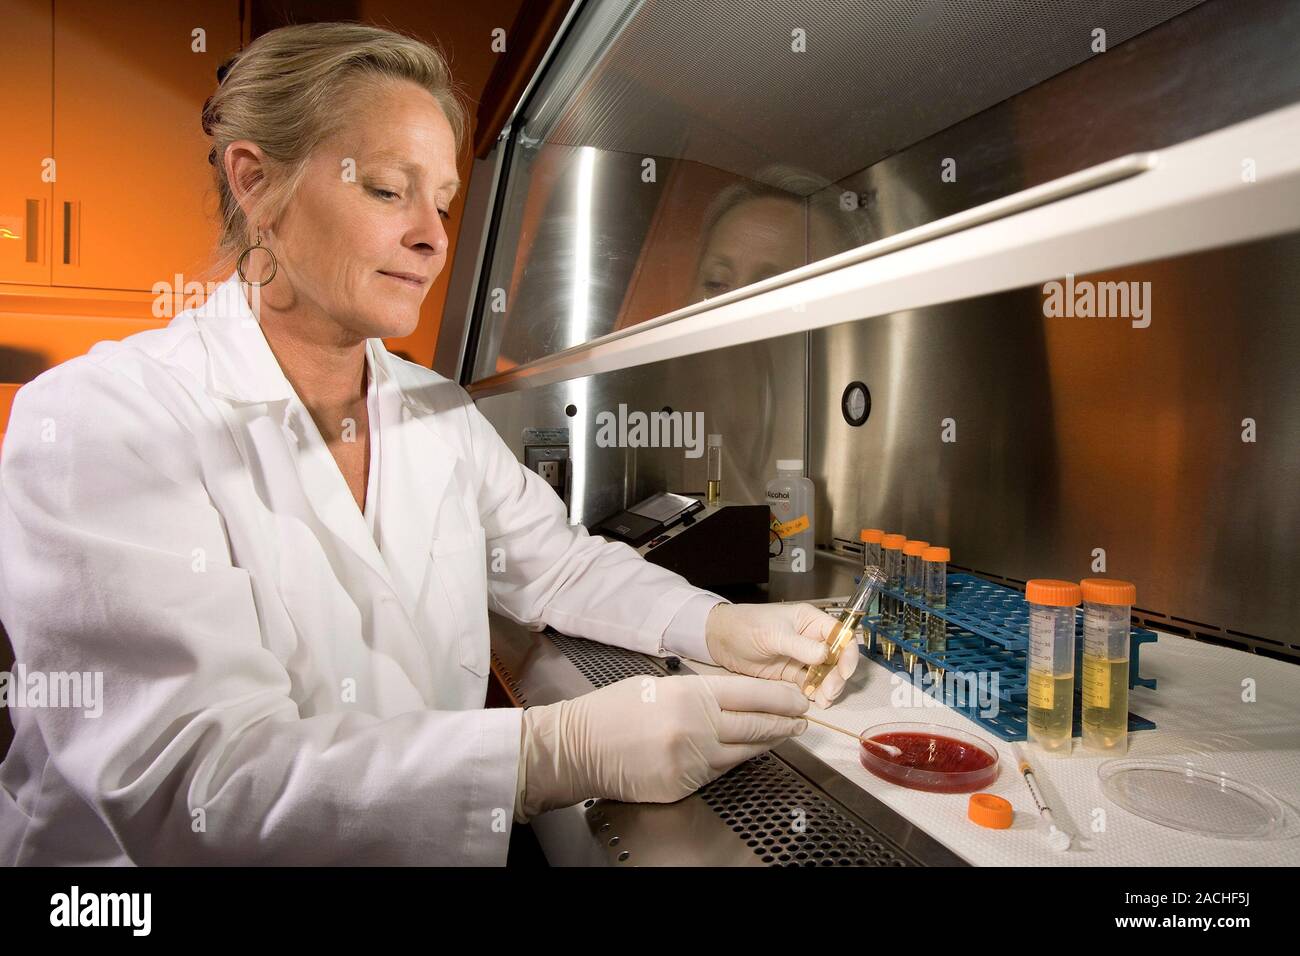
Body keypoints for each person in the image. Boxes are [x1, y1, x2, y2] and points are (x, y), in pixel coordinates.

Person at [0, 22, 856, 866]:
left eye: (442, 202)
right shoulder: (103, 418)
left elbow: (554, 566)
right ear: (256, 183)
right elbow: (199, 786)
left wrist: (717, 624)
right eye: (385, 189)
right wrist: (541, 756)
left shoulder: (434, 409)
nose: (433, 238)